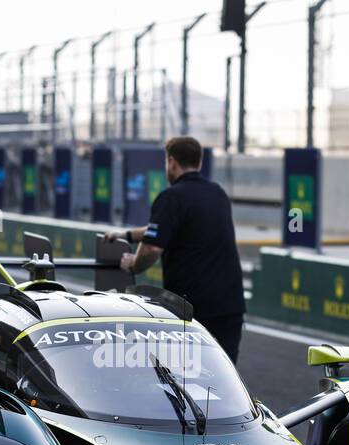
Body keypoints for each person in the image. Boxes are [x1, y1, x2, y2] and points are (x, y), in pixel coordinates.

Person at [103, 136, 245, 361]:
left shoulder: (171, 197)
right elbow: (168, 228)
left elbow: (151, 248)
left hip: (193, 307)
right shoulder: (217, 193)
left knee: (186, 378)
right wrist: (127, 235)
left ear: (171, 162)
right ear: (198, 162)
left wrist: (134, 264)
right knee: (224, 378)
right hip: (229, 305)